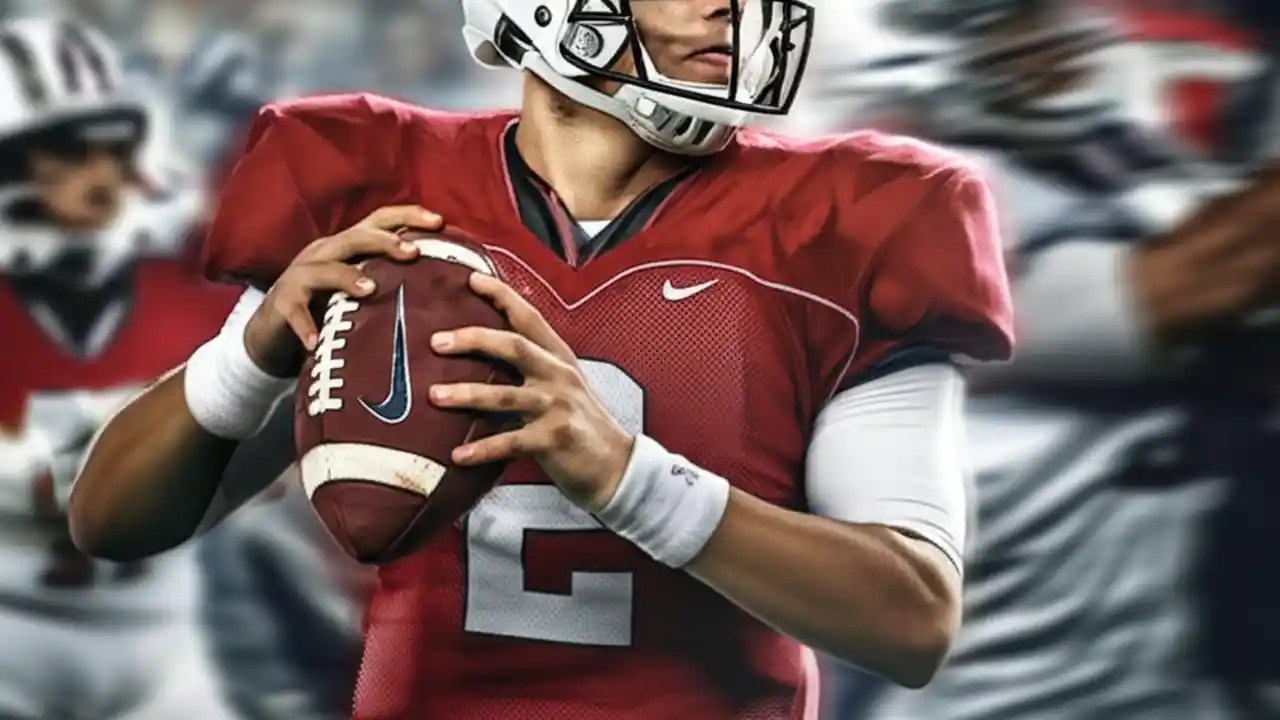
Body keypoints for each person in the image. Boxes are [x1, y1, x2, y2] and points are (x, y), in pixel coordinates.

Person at [69, 1, 1016, 718]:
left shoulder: (848, 226)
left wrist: (625, 476)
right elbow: (111, 520)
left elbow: (912, 620)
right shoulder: (386, 200)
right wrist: (253, 349)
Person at [791, 0, 1280, 717]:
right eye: (1005, 33)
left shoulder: (1116, 168)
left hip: (1174, 678)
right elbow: (1206, 280)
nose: (1051, 44)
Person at [0, 14, 239, 720]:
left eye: (114, 147)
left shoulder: (187, 288)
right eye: (67, 152)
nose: (102, 175)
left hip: (162, 638)